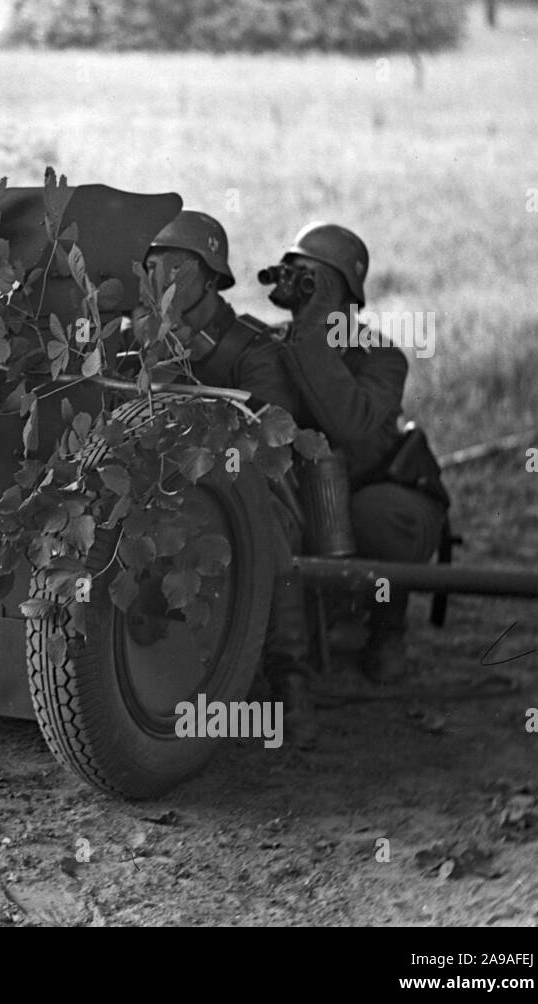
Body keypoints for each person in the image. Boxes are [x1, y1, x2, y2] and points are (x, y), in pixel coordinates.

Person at [138, 210, 319, 746]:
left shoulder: (250, 347)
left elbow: (274, 437)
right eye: (150, 267)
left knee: (270, 538)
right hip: (169, 481)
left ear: (209, 274)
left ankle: (291, 679)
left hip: (251, 485)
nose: (157, 279)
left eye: (173, 268)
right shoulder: (141, 336)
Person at [266, 222, 449, 684]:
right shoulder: (276, 343)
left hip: (381, 493)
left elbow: (351, 423)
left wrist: (313, 330)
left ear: (343, 295)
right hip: (312, 496)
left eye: (313, 281)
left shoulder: (380, 357)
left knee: (374, 516)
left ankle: (388, 628)